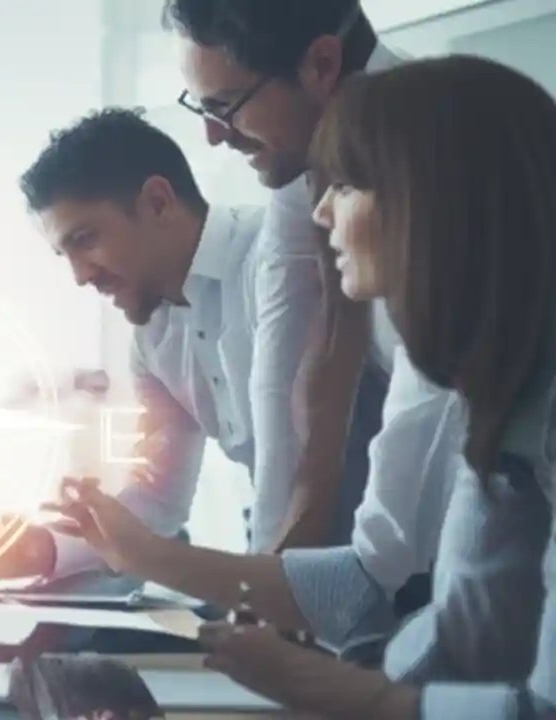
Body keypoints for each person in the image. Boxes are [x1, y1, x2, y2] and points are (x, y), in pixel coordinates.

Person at [65, 56, 556, 717]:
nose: (320, 214)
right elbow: (423, 610)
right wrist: (138, 552)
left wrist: (346, 693)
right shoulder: (492, 393)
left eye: (347, 185)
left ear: (436, 203)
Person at [0, 107, 380, 588]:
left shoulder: (278, 263)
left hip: (396, 565)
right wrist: (44, 548)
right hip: (295, 578)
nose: (80, 275)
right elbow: (159, 499)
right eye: (64, 254)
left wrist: (261, 600)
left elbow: (303, 461)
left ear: (157, 202)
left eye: (85, 239)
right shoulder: (152, 341)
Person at [164, 0, 449, 620]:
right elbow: (297, 363)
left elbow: (382, 556)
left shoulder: (442, 172)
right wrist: (274, 565)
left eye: (225, 106)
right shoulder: (317, 149)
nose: (213, 135)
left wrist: (273, 590)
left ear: (322, 63)